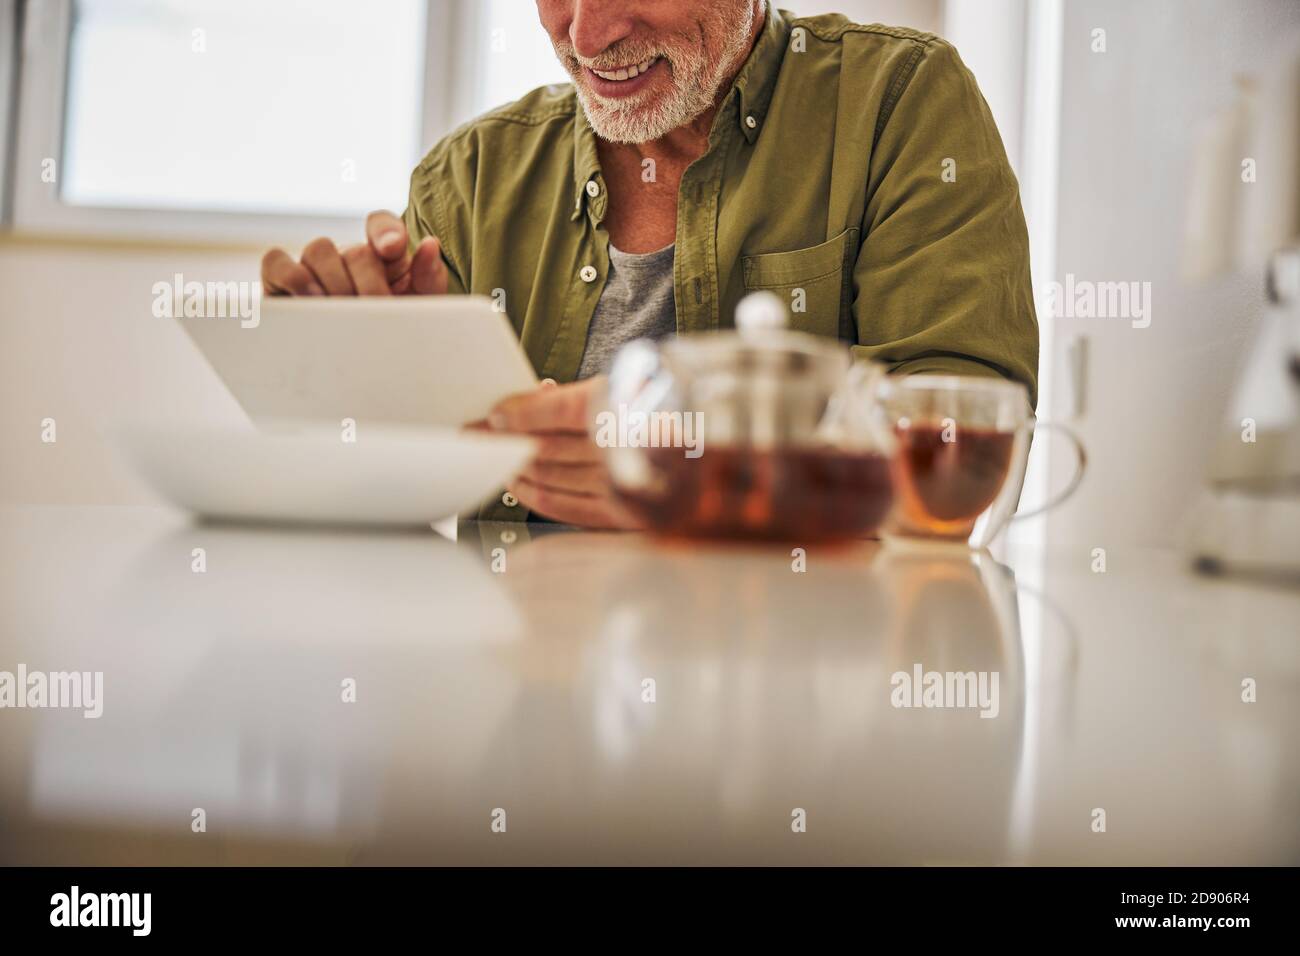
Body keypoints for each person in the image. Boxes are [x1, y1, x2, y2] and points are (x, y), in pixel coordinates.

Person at [261, 1, 1038, 529]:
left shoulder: (897, 106)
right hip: (513, 724)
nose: (588, 33)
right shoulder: (467, 178)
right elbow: (384, 514)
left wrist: (701, 478)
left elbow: (957, 468)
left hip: (803, 719)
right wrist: (353, 381)